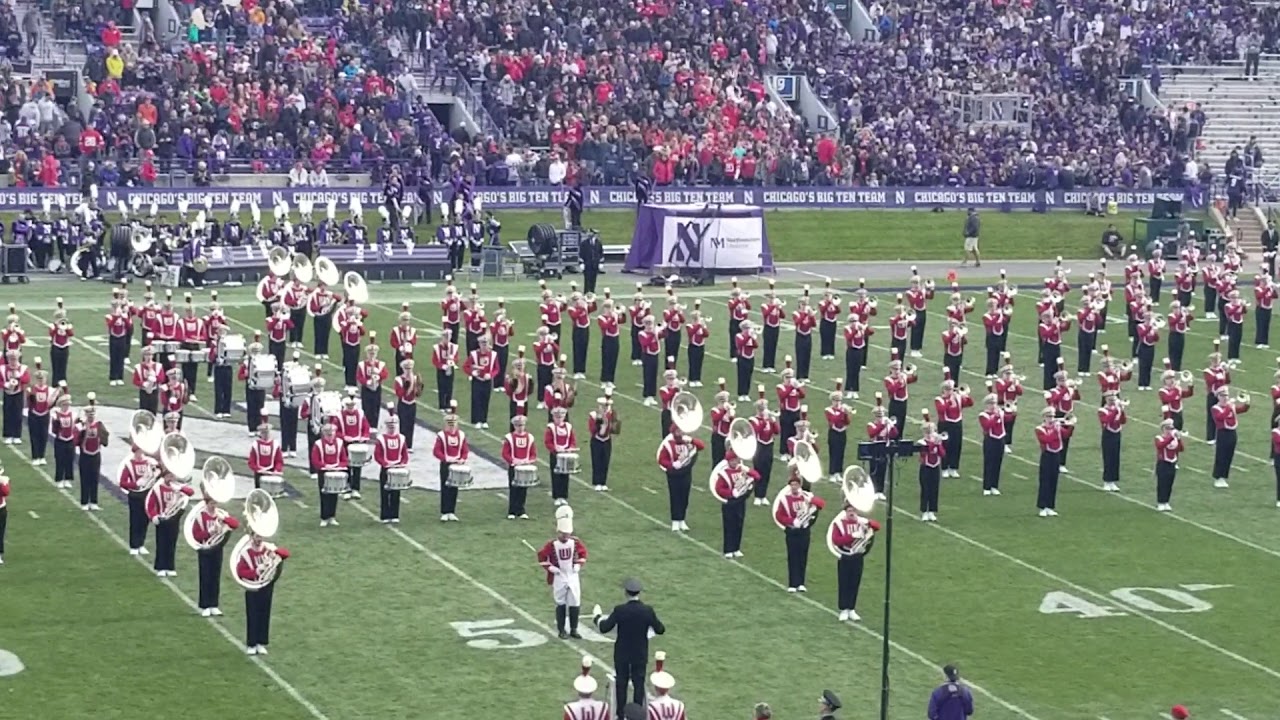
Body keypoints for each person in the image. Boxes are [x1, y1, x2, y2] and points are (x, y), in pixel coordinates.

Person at [591, 578, 665, 717]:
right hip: (640, 653)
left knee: (621, 684)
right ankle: (638, 715)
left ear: (626, 593)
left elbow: (604, 628)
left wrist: (597, 617)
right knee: (639, 684)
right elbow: (660, 629)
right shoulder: (647, 610)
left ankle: (620, 714)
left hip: (622, 653)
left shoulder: (620, 610)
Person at [236, 532, 290, 655]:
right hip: (252, 588)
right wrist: (256, 571)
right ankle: (251, 643)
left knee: (265, 614)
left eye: (261, 536)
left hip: (267, 586)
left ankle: (261, 642)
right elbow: (241, 572)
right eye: (256, 537)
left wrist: (273, 556)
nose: (259, 539)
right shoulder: (246, 553)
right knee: (252, 614)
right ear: (251, 537)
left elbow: (285, 554)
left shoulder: (268, 549)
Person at [537, 511, 588, 639]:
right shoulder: (552, 544)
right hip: (559, 577)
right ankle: (561, 630)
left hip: (572, 575)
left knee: (575, 602)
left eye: (567, 534)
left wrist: (578, 565)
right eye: (563, 534)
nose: (565, 537)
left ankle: (574, 629)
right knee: (560, 603)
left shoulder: (575, 542)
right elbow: (542, 557)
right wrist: (551, 568)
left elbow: (583, 554)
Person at [190, 489, 239, 617]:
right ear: (207, 503)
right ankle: (205, 605)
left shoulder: (220, 514)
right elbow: (196, 535)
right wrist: (209, 532)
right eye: (212, 503)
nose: (214, 506)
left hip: (217, 547)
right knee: (205, 576)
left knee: (215, 576)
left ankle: (214, 604)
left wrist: (224, 520)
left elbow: (235, 524)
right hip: (205, 549)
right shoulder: (200, 516)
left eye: (215, 503)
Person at [434, 403, 470, 521]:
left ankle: (452, 510)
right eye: (450, 425)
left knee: (454, 487)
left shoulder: (461, 435)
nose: (451, 427)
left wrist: (462, 459)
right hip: (446, 464)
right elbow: (436, 451)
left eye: (453, 424)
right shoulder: (441, 435)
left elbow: (465, 450)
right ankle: (444, 511)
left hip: (456, 464)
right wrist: (446, 458)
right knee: (445, 486)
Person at [375, 413, 410, 523]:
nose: (391, 427)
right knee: (385, 492)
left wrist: (402, 463)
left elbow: (405, 454)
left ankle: (395, 514)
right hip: (386, 468)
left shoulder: (401, 438)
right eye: (389, 425)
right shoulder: (381, 439)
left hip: (397, 468)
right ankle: (385, 515)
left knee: (396, 492)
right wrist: (385, 464)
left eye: (393, 425)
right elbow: (377, 455)